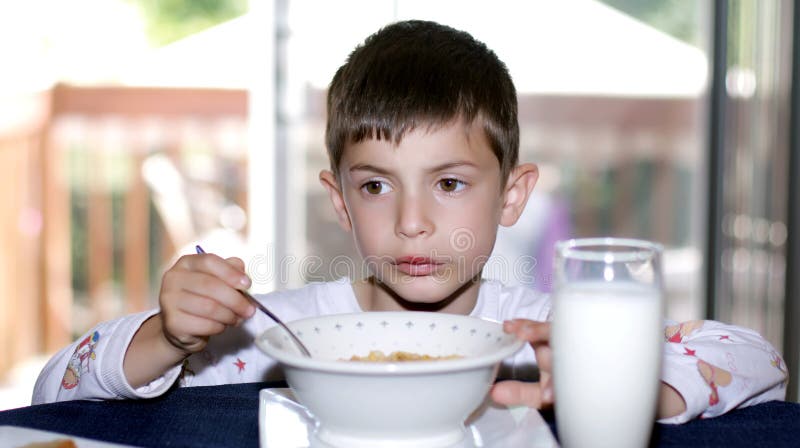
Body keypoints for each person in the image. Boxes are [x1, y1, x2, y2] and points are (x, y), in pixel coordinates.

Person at [33, 20, 787, 423]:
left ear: (512, 196)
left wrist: (622, 387)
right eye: (376, 187)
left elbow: (757, 359)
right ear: (339, 201)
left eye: (451, 183)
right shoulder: (268, 338)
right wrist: (167, 337)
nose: (414, 222)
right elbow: (50, 397)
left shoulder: (547, 336)